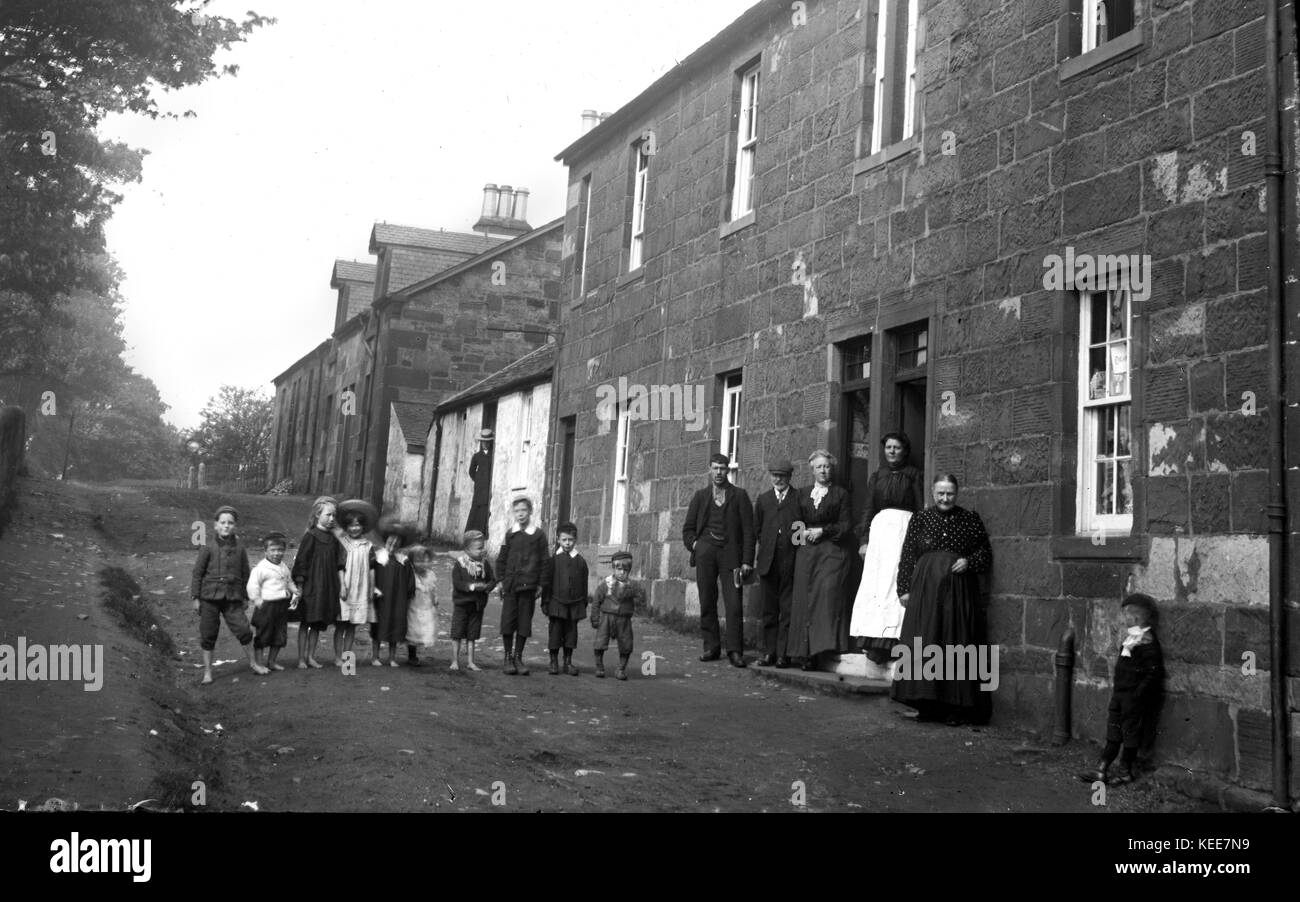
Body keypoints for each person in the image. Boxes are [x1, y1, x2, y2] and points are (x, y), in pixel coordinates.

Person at [891, 474, 994, 725]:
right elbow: (908, 554)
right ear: (932, 492)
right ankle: (926, 705)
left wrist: (969, 561)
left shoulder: (969, 519)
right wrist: (903, 589)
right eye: (940, 493)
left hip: (958, 591)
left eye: (950, 494)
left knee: (955, 641)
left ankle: (956, 708)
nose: (945, 498)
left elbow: (985, 553)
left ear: (957, 493)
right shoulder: (920, 518)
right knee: (925, 641)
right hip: (925, 591)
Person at [849, 433, 926, 664]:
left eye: (897, 447)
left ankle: (896, 643)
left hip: (904, 531)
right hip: (880, 534)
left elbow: (920, 508)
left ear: (905, 451)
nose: (892, 451)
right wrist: (864, 540)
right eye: (888, 447)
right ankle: (874, 642)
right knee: (877, 584)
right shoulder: (878, 476)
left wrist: (919, 540)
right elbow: (868, 509)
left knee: (896, 582)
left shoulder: (914, 475)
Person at [1077, 594, 1164, 785]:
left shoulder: (1147, 642)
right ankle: (1101, 769)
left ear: (1137, 618)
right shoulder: (1132, 638)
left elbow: (1154, 673)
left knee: (1130, 734)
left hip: (1132, 697)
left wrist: (1137, 694)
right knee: (1113, 733)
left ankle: (1126, 771)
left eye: (1127, 615)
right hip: (1120, 694)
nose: (1124, 620)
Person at [682, 452, 754, 667]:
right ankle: (711, 647)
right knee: (707, 600)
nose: (719, 472)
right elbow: (688, 529)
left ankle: (735, 651)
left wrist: (747, 560)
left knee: (734, 604)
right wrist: (697, 546)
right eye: (715, 468)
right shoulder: (700, 496)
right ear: (710, 470)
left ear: (728, 470)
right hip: (706, 554)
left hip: (731, 555)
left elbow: (749, 531)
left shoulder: (739, 496)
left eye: (722, 468)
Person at [787, 451, 854, 671]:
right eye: (819, 467)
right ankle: (804, 654)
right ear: (812, 470)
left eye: (826, 466)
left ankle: (822, 651)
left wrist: (823, 531)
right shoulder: (802, 494)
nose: (823, 471)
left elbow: (846, 525)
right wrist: (803, 533)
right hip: (806, 552)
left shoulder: (840, 494)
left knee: (825, 596)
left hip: (831, 552)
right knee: (804, 600)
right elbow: (794, 524)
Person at [191, 505, 266, 683]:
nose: (226, 526)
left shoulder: (240, 548)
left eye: (230, 523)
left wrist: (246, 597)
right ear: (216, 525)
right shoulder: (207, 547)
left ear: (235, 526)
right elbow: (197, 573)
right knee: (208, 634)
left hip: (232, 597)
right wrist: (196, 597)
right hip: (209, 598)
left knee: (244, 630)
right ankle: (208, 672)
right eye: (223, 522)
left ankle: (253, 664)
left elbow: (246, 573)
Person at [753, 458, 800, 668]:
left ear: (789, 477)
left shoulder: (798, 498)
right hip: (768, 562)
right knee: (769, 610)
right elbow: (757, 530)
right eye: (775, 475)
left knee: (787, 611)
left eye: (782, 476)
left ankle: (783, 655)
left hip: (790, 560)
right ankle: (768, 653)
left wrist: (794, 549)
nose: (778, 479)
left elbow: (801, 528)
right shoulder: (764, 500)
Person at [497, 496, 551, 675]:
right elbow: (502, 558)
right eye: (517, 511)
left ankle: (518, 657)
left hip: (528, 587)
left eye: (523, 510)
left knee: (524, 622)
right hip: (511, 585)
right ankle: (507, 657)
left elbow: (545, 561)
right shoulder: (510, 534)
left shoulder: (538, 535)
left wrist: (541, 584)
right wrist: (501, 580)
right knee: (507, 621)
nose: (520, 514)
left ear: (530, 512)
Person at [291, 496, 344, 669]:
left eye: (334, 515)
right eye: (328, 515)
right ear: (317, 515)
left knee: (316, 623)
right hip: (310, 586)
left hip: (326, 587)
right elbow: (301, 562)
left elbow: (338, 563)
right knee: (305, 622)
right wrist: (300, 586)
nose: (332, 519)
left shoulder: (334, 539)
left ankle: (311, 657)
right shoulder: (311, 536)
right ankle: (301, 659)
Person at [246, 531, 300, 672]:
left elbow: (289, 581)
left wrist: (295, 590)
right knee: (263, 635)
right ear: (266, 551)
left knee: (279, 635)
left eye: (280, 550)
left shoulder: (283, 567)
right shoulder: (260, 569)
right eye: (273, 550)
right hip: (266, 607)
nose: (277, 553)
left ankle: (271, 661)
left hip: (281, 606)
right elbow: (252, 586)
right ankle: (259, 663)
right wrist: (257, 600)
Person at [588, 550, 645, 680]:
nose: (622, 572)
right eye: (619, 569)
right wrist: (595, 618)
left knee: (626, 644)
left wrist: (635, 603)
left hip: (624, 620)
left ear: (629, 571)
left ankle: (621, 669)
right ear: (613, 568)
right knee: (600, 642)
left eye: (625, 570)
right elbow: (596, 601)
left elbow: (641, 600)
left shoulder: (632, 586)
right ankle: (599, 666)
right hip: (607, 618)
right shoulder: (606, 584)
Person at [336, 499, 378, 668]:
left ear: (363, 526)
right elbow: (340, 567)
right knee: (341, 625)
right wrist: (342, 586)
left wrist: (371, 588)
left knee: (352, 626)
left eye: (357, 525)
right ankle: (337, 657)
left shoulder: (368, 546)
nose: (354, 528)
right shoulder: (343, 544)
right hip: (346, 588)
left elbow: (372, 568)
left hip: (361, 589)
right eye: (351, 525)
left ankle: (347, 659)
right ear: (346, 527)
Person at [542, 522, 588, 676]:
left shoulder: (580, 562)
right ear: (558, 540)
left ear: (575, 540)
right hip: (556, 603)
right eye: (564, 540)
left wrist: (583, 603)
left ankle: (568, 662)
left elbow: (584, 584)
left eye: (571, 540)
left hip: (574, 604)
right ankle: (553, 661)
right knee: (555, 633)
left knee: (571, 634)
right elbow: (547, 582)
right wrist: (545, 602)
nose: (567, 543)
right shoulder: (553, 560)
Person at [371, 517, 417, 668]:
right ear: (385, 541)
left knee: (395, 627)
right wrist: (373, 589)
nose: (393, 546)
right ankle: (375, 656)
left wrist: (408, 594)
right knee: (378, 626)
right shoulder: (378, 558)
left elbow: (410, 581)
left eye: (396, 544)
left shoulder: (403, 561)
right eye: (390, 543)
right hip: (381, 598)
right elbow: (370, 575)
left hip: (398, 599)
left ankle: (392, 658)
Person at [450, 530, 496, 671]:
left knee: (472, 634)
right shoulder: (460, 564)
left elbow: (492, 580)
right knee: (457, 633)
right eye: (479, 548)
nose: (482, 550)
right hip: (462, 604)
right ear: (467, 550)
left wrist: (487, 587)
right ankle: (455, 661)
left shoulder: (484, 564)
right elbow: (457, 583)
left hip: (477, 605)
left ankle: (471, 661)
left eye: (483, 547)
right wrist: (471, 587)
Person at [405, 545, 438, 666]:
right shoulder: (411, 575)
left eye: (425, 560)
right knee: (413, 630)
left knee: (426, 628)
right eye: (418, 561)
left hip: (426, 606)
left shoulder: (430, 574)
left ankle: (421, 645)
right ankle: (412, 655)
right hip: (413, 606)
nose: (423, 564)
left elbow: (433, 589)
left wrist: (435, 599)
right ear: (412, 562)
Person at [465, 428, 494, 534]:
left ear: (490, 443)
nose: (485, 444)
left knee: (484, 510)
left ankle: (482, 532)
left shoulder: (492, 456)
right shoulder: (477, 456)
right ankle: (471, 533)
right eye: (483, 442)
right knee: (476, 509)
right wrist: (478, 480)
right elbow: (471, 471)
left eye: (487, 442)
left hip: (488, 487)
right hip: (479, 488)